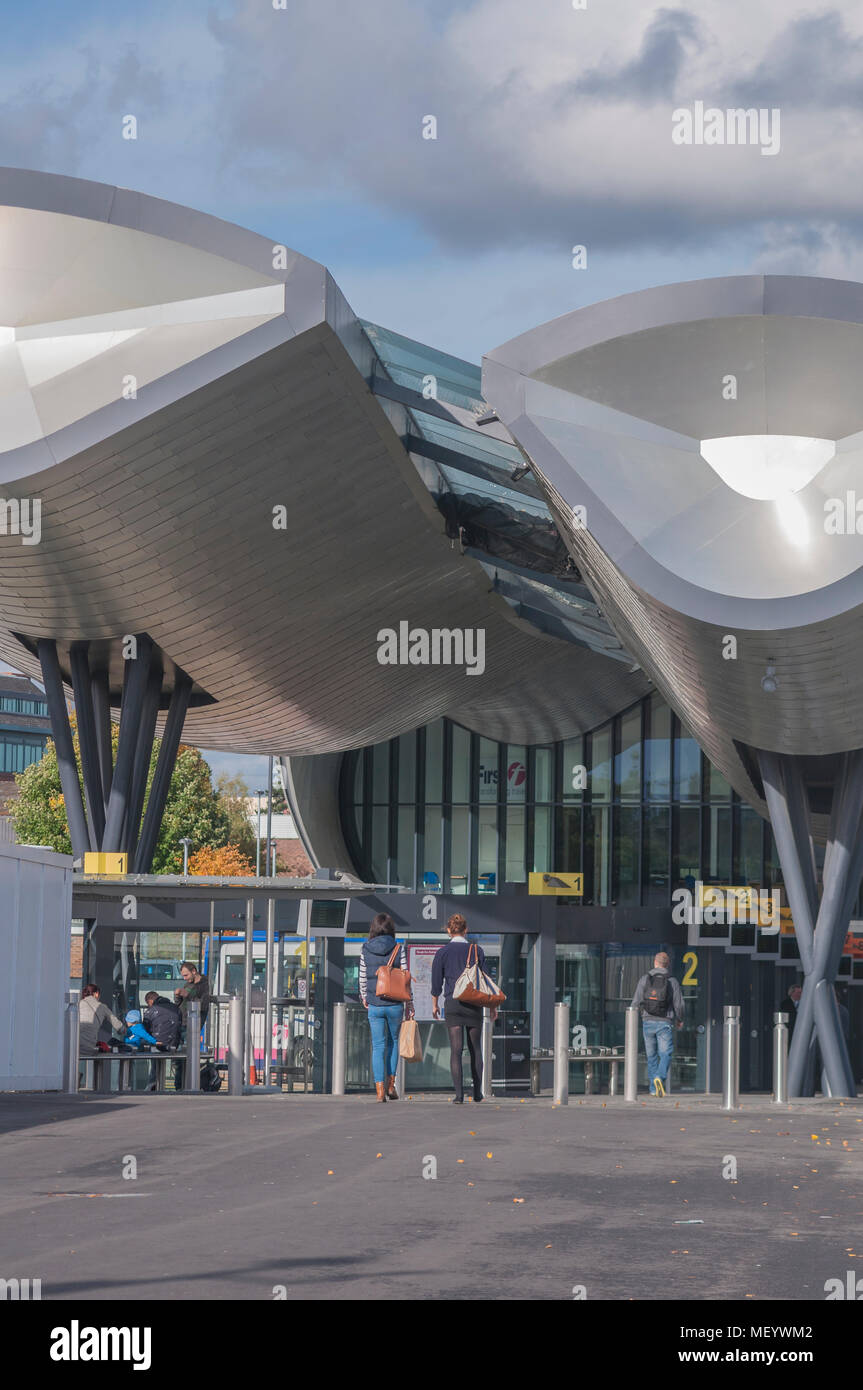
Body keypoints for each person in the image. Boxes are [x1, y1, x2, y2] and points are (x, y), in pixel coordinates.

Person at [431, 913, 494, 1104]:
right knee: (475, 1048)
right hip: (473, 1003)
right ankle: (477, 1093)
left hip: (452, 1004)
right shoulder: (477, 950)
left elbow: (436, 982)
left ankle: (458, 1095)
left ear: (449, 931)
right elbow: (486, 982)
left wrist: (435, 1004)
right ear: (465, 930)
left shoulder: (442, 953)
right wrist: (492, 1006)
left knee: (456, 1049)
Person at [359, 913, 414, 1101]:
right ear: (391, 929)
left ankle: (379, 1090)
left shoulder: (365, 948)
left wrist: (364, 996)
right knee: (393, 1043)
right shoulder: (399, 948)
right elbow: (406, 976)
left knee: (378, 1046)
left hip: (375, 1003)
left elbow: (363, 976)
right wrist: (410, 1002)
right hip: (395, 1004)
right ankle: (391, 1086)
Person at [631, 951, 684, 1097]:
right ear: (667, 964)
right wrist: (680, 1019)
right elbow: (679, 1004)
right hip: (664, 1022)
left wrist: (632, 1018)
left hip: (647, 1021)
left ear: (655, 962)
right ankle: (659, 1078)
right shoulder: (672, 980)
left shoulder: (645, 978)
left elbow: (636, 1001)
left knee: (651, 1056)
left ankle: (654, 1090)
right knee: (665, 1053)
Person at [173, 962, 210, 1090]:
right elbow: (180, 1003)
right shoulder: (188, 984)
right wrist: (177, 996)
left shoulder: (204, 985)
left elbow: (203, 1005)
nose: (185, 978)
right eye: (183, 976)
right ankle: (180, 1085)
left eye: (186, 975)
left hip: (192, 1024)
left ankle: (184, 1085)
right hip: (181, 1021)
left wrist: (187, 995)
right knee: (179, 1057)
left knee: (187, 1055)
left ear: (194, 971)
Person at [142, 992, 182, 1091]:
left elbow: (145, 1030)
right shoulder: (175, 1008)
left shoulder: (151, 1011)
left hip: (157, 1045)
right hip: (174, 1044)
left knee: (155, 1064)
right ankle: (180, 1086)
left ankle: (153, 1085)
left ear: (150, 1001)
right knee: (179, 1065)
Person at [78, 983, 127, 1056]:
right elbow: (118, 1026)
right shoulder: (102, 1007)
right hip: (89, 1047)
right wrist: (126, 1030)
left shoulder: (78, 1003)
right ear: (96, 993)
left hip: (74, 1044)